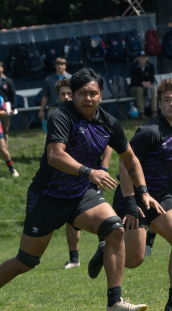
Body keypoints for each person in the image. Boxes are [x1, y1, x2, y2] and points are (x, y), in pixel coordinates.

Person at [0, 68, 159, 311]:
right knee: (26, 261)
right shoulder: (61, 116)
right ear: (72, 96)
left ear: (101, 94)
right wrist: (90, 171)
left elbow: (131, 159)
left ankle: (115, 302)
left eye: (93, 93)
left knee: (114, 230)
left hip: (80, 194)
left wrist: (143, 191)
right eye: (82, 94)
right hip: (48, 196)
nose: (88, 98)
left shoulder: (109, 123)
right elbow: (55, 156)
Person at [87, 79, 172, 311]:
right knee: (135, 260)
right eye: (167, 99)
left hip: (161, 196)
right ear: (159, 103)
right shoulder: (150, 132)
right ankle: (106, 249)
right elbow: (125, 167)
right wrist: (130, 204)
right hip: (134, 197)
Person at [57, 78, 113, 270]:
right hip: (66, 178)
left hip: (91, 176)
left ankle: (103, 248)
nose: (66, 97)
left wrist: (103, 168)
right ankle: (74, 258)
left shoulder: (92, 116)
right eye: (62, 94)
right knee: (69, 219)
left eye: (69, 94)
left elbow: (109, 143)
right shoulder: (58, 117)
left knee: (103, 213)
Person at [0, 61, 16, 144]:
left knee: (5, 128)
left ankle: (4, 148)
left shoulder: (8, 81)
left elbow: (12, 95)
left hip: (6, 106)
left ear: (2, 69)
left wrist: (13, 108)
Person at [129, 52, 157, 120]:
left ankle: (154, 112)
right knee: (139, 89)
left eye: (144, 57)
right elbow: (134, 81)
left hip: (147, 88)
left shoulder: (150, 66)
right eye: (141, 57)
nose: (142, 59)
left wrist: (148, 83)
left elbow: (152, 79)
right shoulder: (133, 67)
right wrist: (142, 83)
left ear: (147, 58)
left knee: (152, 88)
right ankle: (141, 114)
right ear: (137, 58)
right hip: (134, 89)